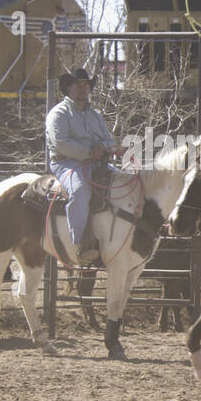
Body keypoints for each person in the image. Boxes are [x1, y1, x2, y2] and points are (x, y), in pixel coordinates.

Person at [45, 68, 125, 265]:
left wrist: (105, 148)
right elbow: (61, 143)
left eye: (86, 85)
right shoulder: (58, 113)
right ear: (68, 88)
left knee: (125, 182)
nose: (83, 89)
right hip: (66, 162)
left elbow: (108, 139)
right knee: (80, 190)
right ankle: (80, 244)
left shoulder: (95, 115)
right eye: (79, 85)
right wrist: (91, 151)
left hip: (96, 163)